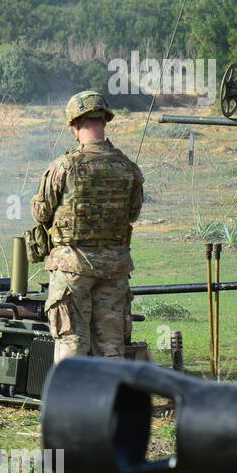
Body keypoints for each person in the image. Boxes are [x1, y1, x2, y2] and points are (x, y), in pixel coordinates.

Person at [31, 91, 144, 363]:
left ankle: (69, 403)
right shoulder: (128, 168)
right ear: (104, 120)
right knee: (111, 343)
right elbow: (133, 213)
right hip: (114, 267)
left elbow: (41, 212)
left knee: (71, 339)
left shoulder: (64, 166)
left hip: (72, 267)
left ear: (74, 124)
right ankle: (112, 402)